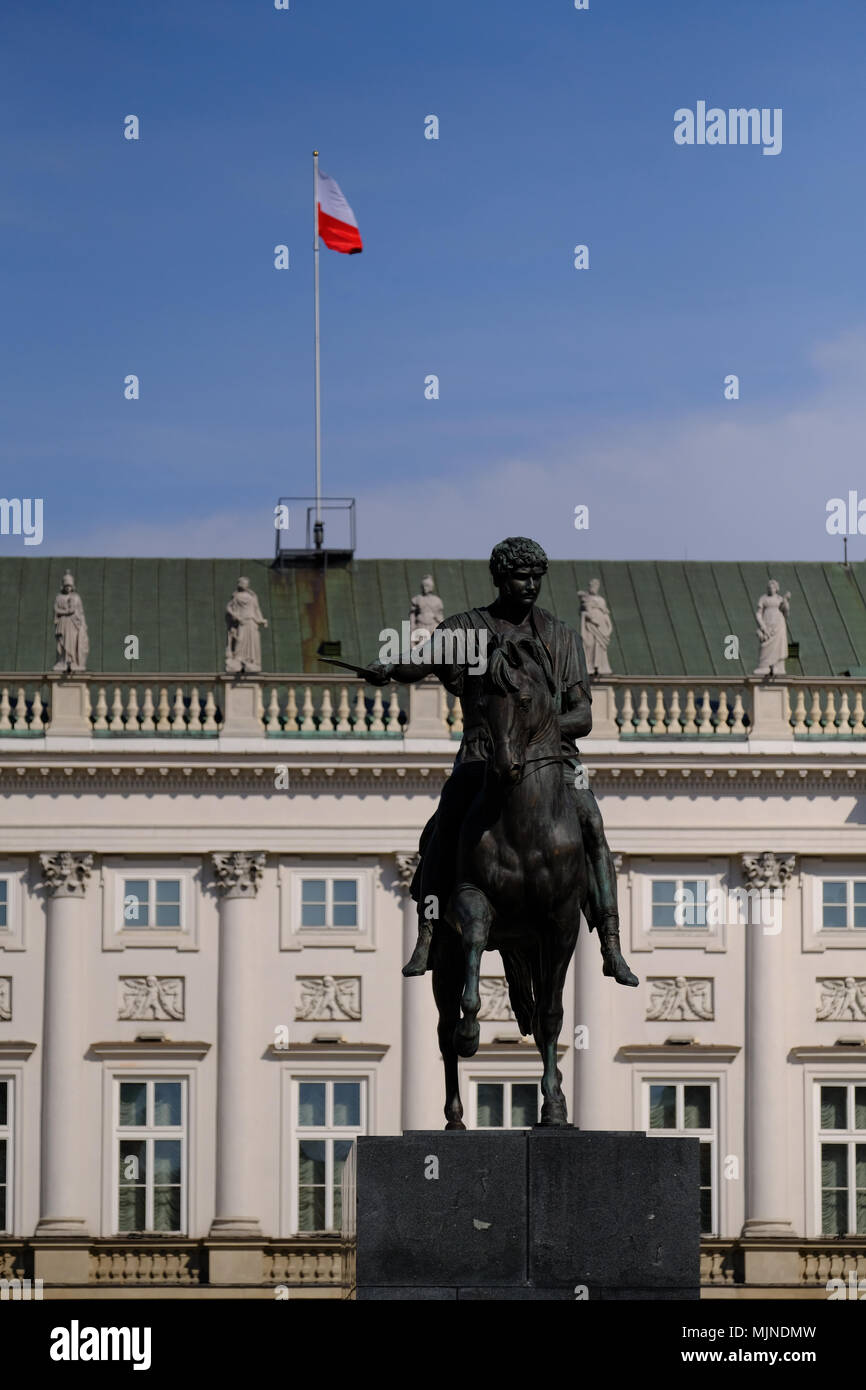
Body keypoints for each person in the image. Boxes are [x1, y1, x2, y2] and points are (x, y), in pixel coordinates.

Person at [366, 536, 637, 986]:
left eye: (536, 577)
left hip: (554, 760)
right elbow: (422, 662)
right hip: (483, 754)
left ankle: (611, 941)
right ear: (498, 578)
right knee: (446, 822)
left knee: (590, 822)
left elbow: (583, 715)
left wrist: (537, 734)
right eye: (519, 576)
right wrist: (390, 667)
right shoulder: (468, 630)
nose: (529, 584)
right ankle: (429, 930)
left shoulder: (560, 636)